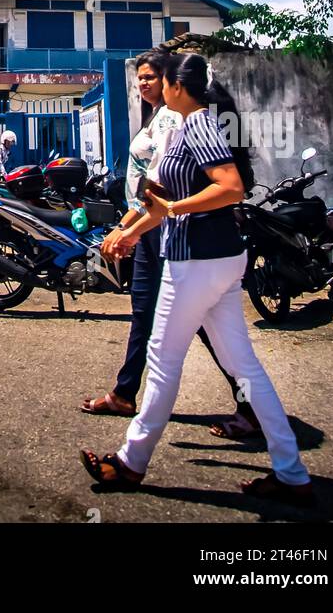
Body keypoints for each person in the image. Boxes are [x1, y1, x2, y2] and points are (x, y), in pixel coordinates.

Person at [81, 53, 313, 503]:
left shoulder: (200, 124)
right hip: (216, 261)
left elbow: (229, 188)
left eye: (159, 79)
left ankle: (130, 462)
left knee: (165, 363)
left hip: (197, 262)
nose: (153, 87)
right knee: (243, 367)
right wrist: (129, 233)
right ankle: (292, 476)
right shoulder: (184, 127)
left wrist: (175, 211)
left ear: (176, 85)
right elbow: (162, 199)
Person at [82, 51, 262, 441]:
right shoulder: (159, 117)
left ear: (173, 83)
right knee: (151, 314)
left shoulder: (175, 120)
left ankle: (249, 409)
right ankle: (126, 395)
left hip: (168, 232)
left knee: (195, 328)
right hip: (154, 229)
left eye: (151, 78)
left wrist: (130, 226)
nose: (144, 84)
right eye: (139, 79)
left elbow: (168, 187)